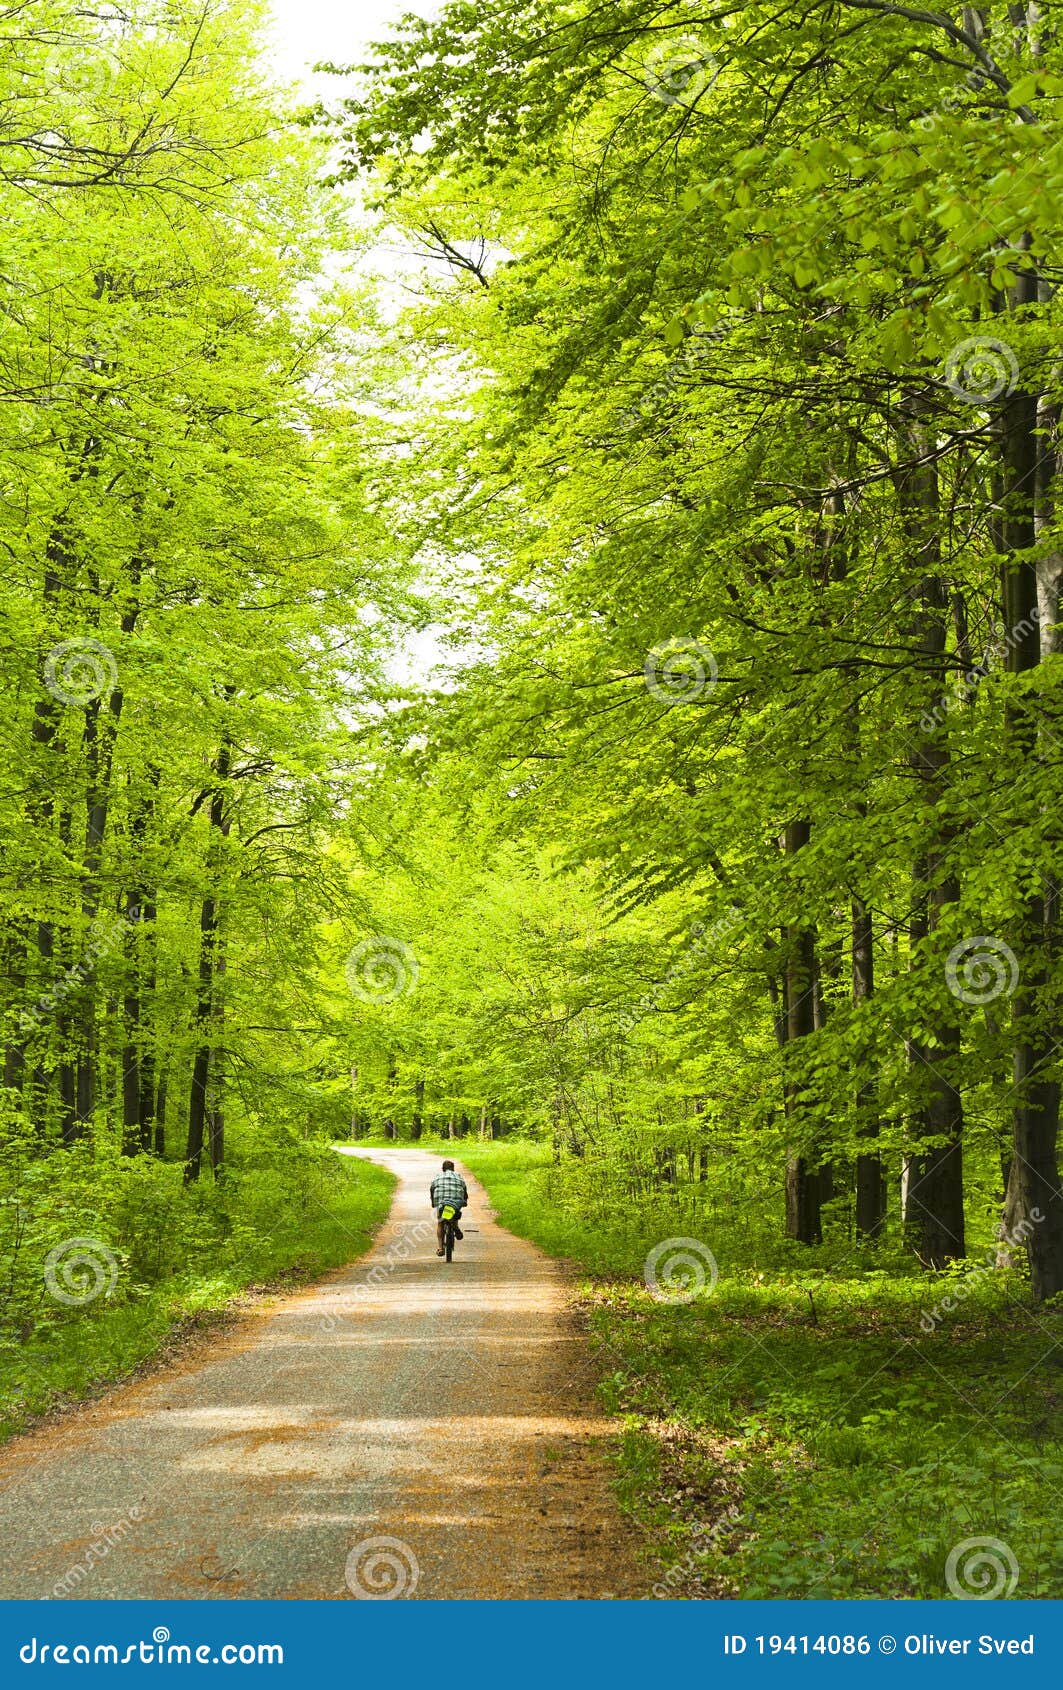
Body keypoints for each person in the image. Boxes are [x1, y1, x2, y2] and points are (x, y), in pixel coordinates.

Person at [430, 1158, 468, 1256]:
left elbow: (432, 1188)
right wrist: (464, 1202)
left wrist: (433, 1203)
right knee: (454, 1212)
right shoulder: (458, 1176)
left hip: (442, 1202)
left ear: (443, 1169)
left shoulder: (438, 1176)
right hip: (456, 1201)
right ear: (453, 1169)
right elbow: (464, 1189)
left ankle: (440, 1248)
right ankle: (455, 1226)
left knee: (440, 1222)